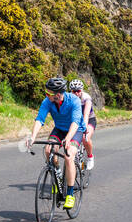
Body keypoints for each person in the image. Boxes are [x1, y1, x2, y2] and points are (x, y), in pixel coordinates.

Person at [26, 76, 83, 209]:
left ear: (57, 94)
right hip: (59, 129)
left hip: (75, 131)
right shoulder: (47, 101)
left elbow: (75, 122)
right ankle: (57, 176)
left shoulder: (73, 100)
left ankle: (70, 194)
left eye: (48, 93)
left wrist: (68, 138)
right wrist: (33, 136)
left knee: (69, 157)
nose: (46, 95)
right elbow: (40, 119)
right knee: (48, 150)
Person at [68, 78, 96, 170]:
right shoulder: (69, 99)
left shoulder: (86, 98)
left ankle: (90, 157)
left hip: (89, 119)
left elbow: (86, 114)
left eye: (78, 91)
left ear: (82, 90)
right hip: (75, 120)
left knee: (85, 138)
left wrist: (84, 128)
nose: (76, 93)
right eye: (74, 91)